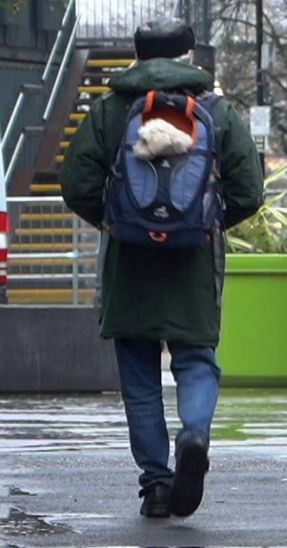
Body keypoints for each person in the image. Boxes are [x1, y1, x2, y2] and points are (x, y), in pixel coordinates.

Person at [60, 18, 263, 518]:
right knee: (196, 361)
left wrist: (116, 222)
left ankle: (155, 483)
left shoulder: (110, 111)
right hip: (193, 263)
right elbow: (250, 191)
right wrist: (206, 222)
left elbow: (76, 183)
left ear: (137, 54)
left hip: (130, 265)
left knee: (140, 376)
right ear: (189, 55)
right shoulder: (216, 111)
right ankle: (193, 434)